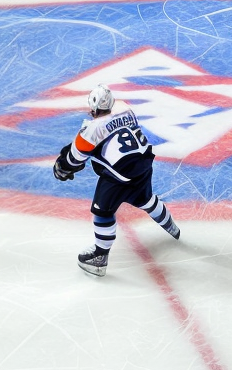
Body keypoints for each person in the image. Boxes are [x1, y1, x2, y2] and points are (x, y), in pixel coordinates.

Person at [53, 84, 180, 277]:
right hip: (144, 165)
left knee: (102, 211)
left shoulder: (90, 130)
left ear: (93, 107)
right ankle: (172, 227)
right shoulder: (125, 109)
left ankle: (99, 257)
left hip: (120, 175)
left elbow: (74, 159)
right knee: (146, 199)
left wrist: (62, 166)